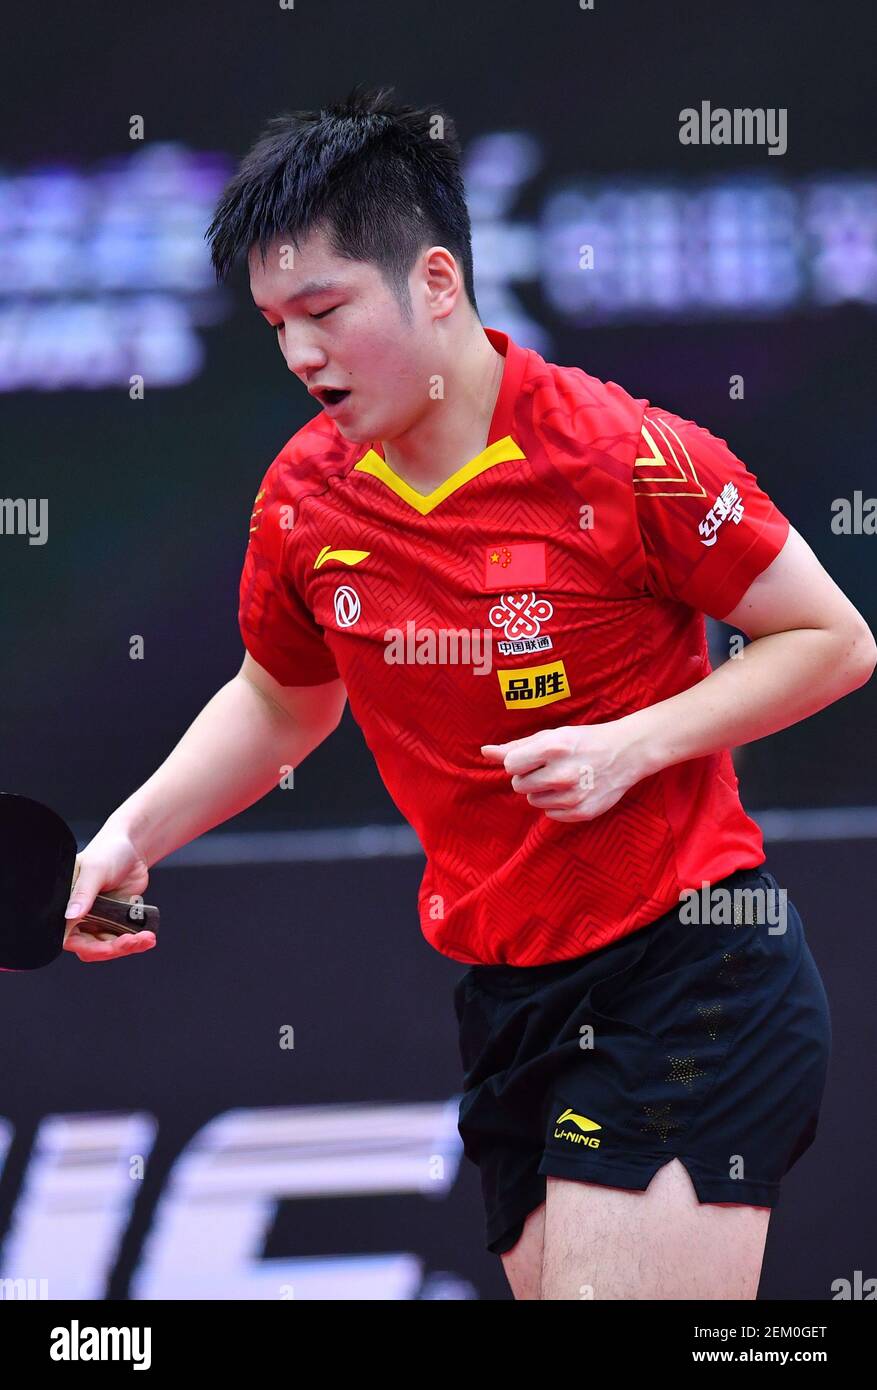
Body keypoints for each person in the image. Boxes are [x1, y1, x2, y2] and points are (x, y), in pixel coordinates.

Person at [64, 84, 875, 1300]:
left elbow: (829, 638)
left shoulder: (626, 458)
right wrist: (135, 831)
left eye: (325, 310)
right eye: (276, 323)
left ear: (435, 282)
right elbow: (282, 701)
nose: (299, 354)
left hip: (687, 968)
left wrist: (629, 746)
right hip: (509, 1001)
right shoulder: (304, 499)